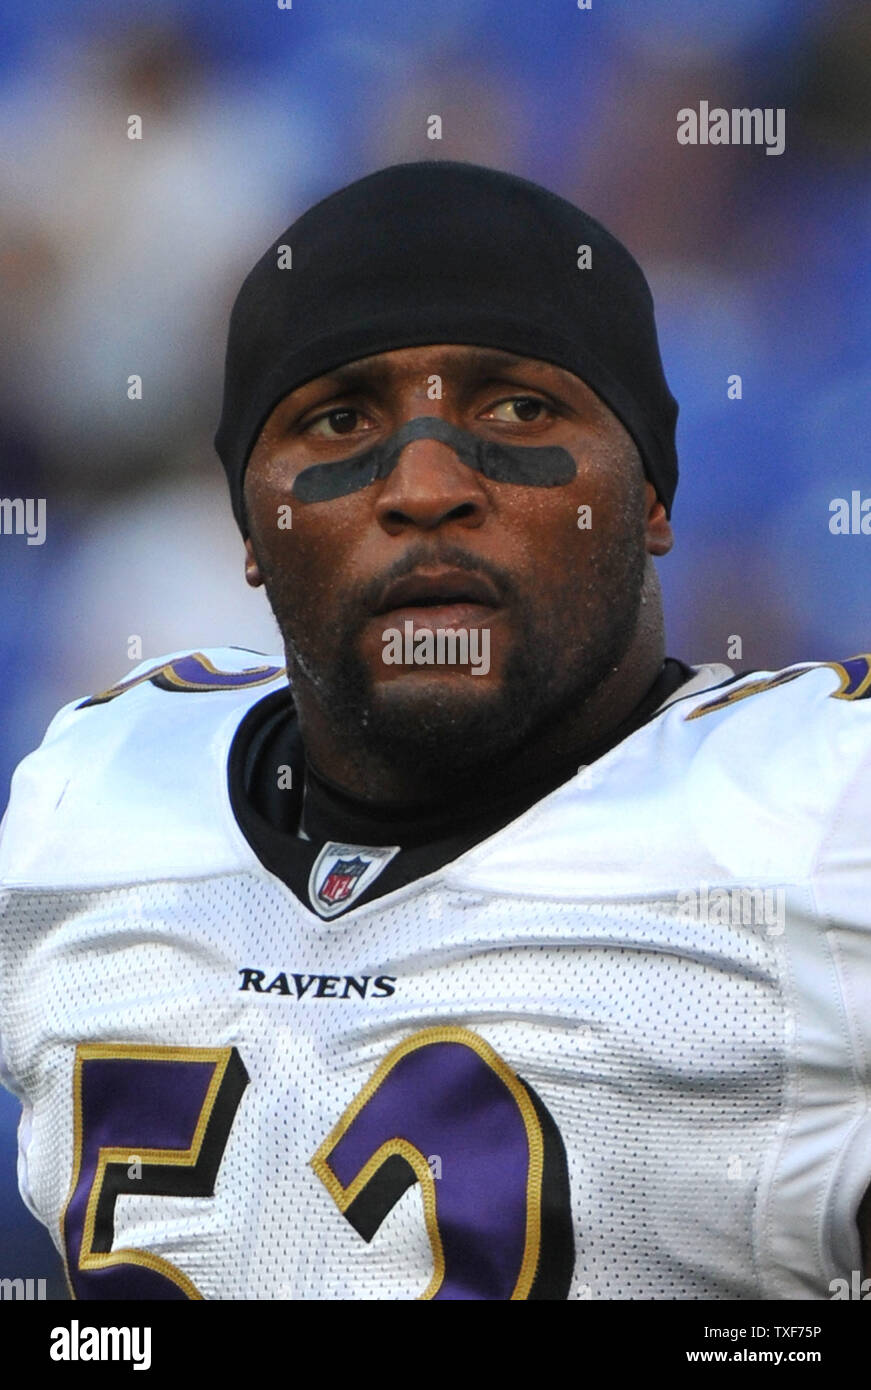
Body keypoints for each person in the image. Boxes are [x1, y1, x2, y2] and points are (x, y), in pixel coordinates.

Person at [1, 161, 870, 1302]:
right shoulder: (88, 801)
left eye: (517, 406)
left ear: (653, 496)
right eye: (338, 416)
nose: (422, 484)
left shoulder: (820, 815)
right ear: (249, 529)